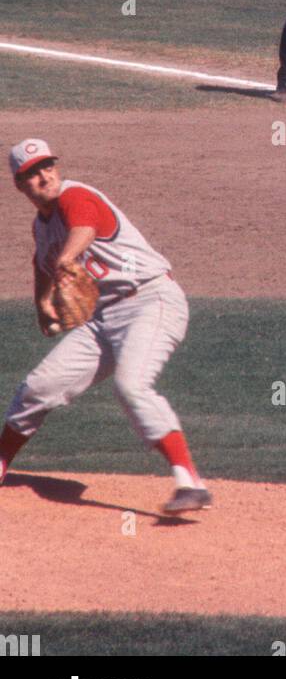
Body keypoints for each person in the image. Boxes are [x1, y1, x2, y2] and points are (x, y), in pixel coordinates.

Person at [0, 139, 212, 516]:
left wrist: (67, 258)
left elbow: (86, 227)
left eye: (47, 166)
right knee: (38, 387)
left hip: (151, 300)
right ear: (20, 185)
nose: (43, 175)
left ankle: (190, 483)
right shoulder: (42, 225)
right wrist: (42, 305)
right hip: (102, 321)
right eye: (31, 173)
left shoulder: (75, 195)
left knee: (131, 385)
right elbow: (41, 262)